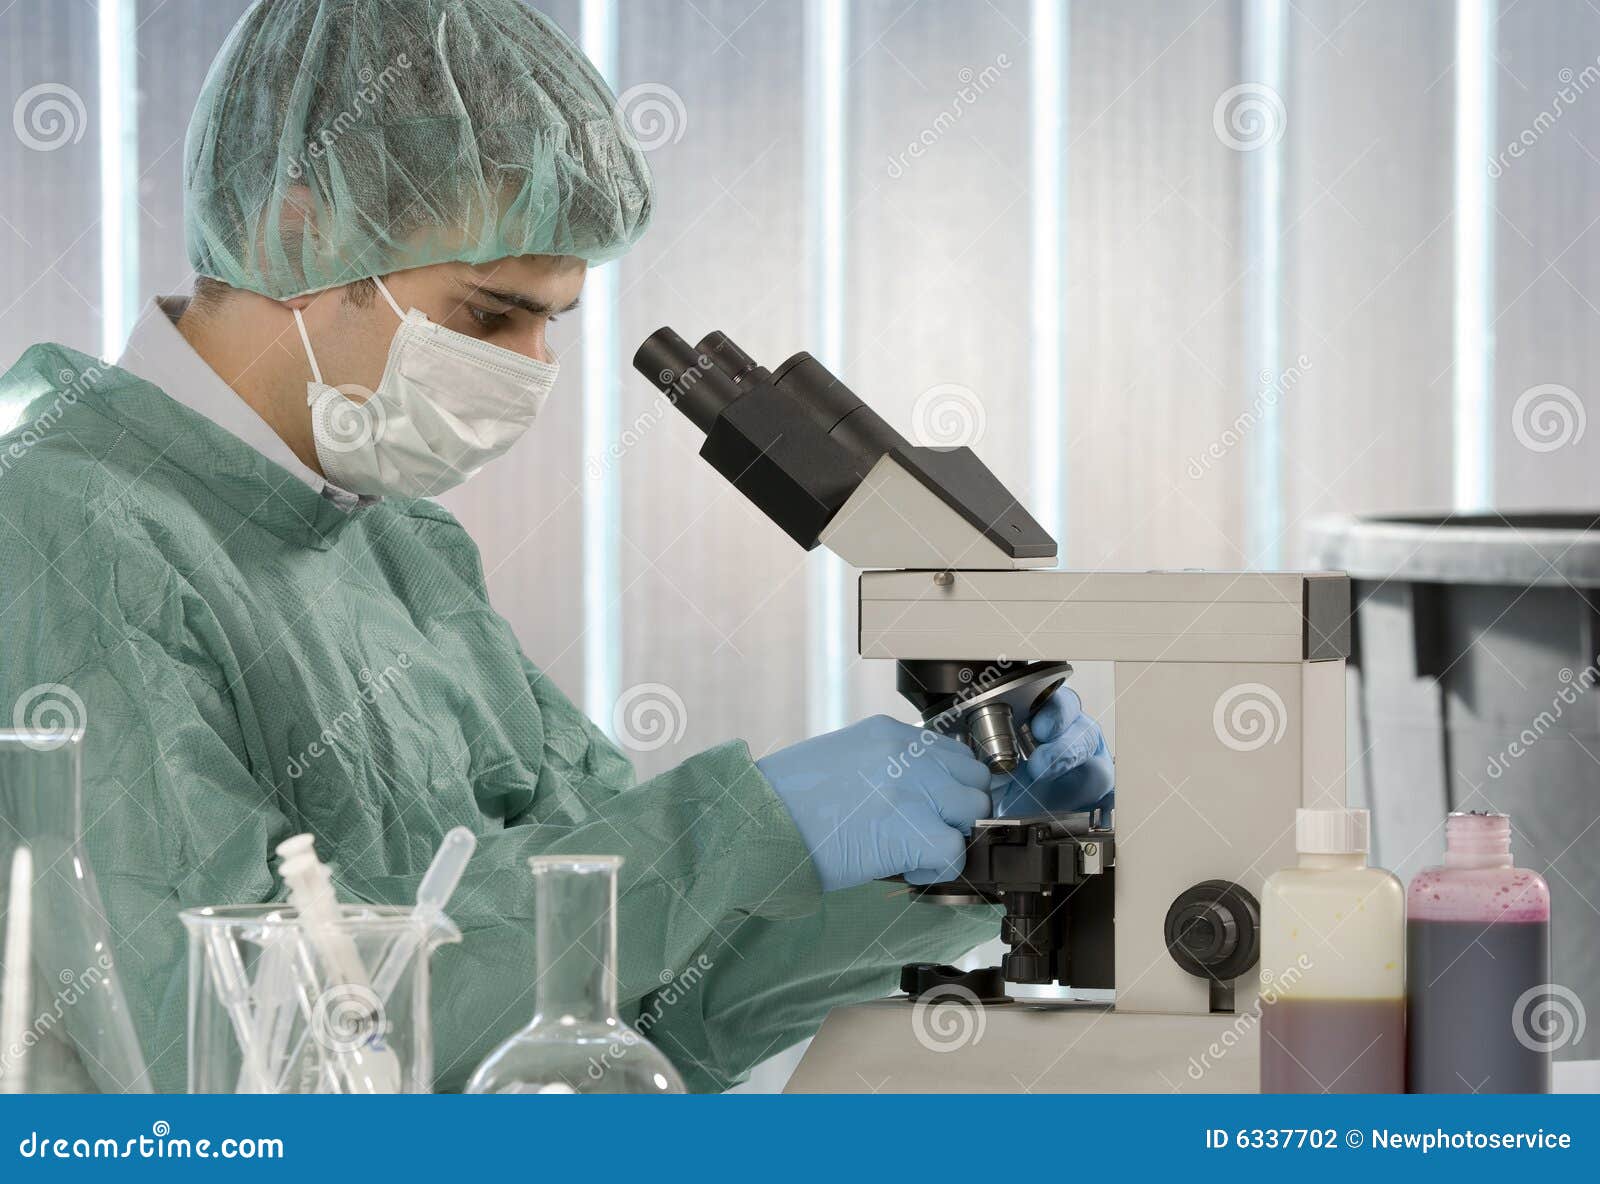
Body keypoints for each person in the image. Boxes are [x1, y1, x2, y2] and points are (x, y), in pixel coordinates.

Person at [0, 0, 1112, 1092]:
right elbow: (215, 1051)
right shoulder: (60, 534)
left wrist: (954, 870)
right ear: (303, 229)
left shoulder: (405, 552)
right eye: (490, 315)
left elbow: (639, 1005)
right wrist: (737, 821)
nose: (532, 364)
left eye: (553, 320)